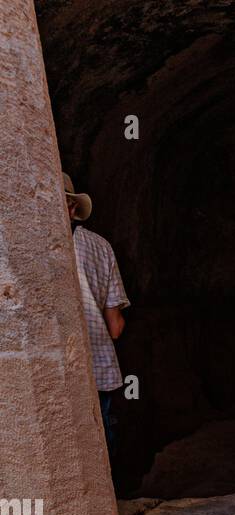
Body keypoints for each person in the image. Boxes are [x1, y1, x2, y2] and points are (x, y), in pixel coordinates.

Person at [63, 172, 129, 476]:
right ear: (73, 207)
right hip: (99, 368)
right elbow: (115, 327)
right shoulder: (101, 247)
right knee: (101, 445)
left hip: (58, 370)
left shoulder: (33, 249)